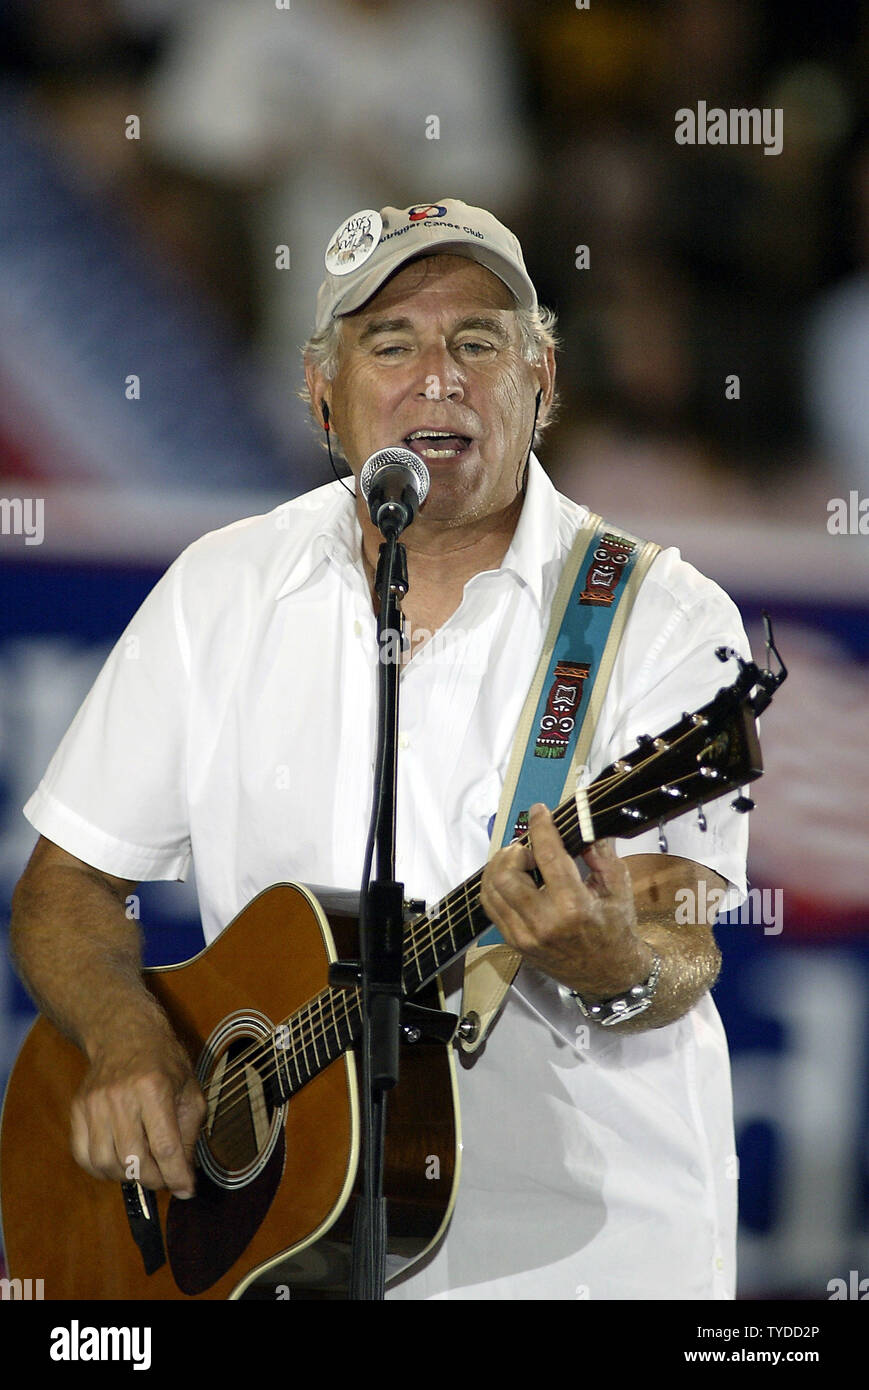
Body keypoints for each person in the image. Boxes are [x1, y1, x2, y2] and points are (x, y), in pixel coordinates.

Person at [10, 198, 750, 1300]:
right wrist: (126, 1043)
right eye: (389, 342)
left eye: (477, 342)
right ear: (320, 392)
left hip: (589, 1263)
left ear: (539, 378)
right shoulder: (222, 588)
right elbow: (67, 881)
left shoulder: (660, 616)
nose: (435, 376)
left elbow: (680, 936)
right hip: (281, 1255)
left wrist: (612, 962)